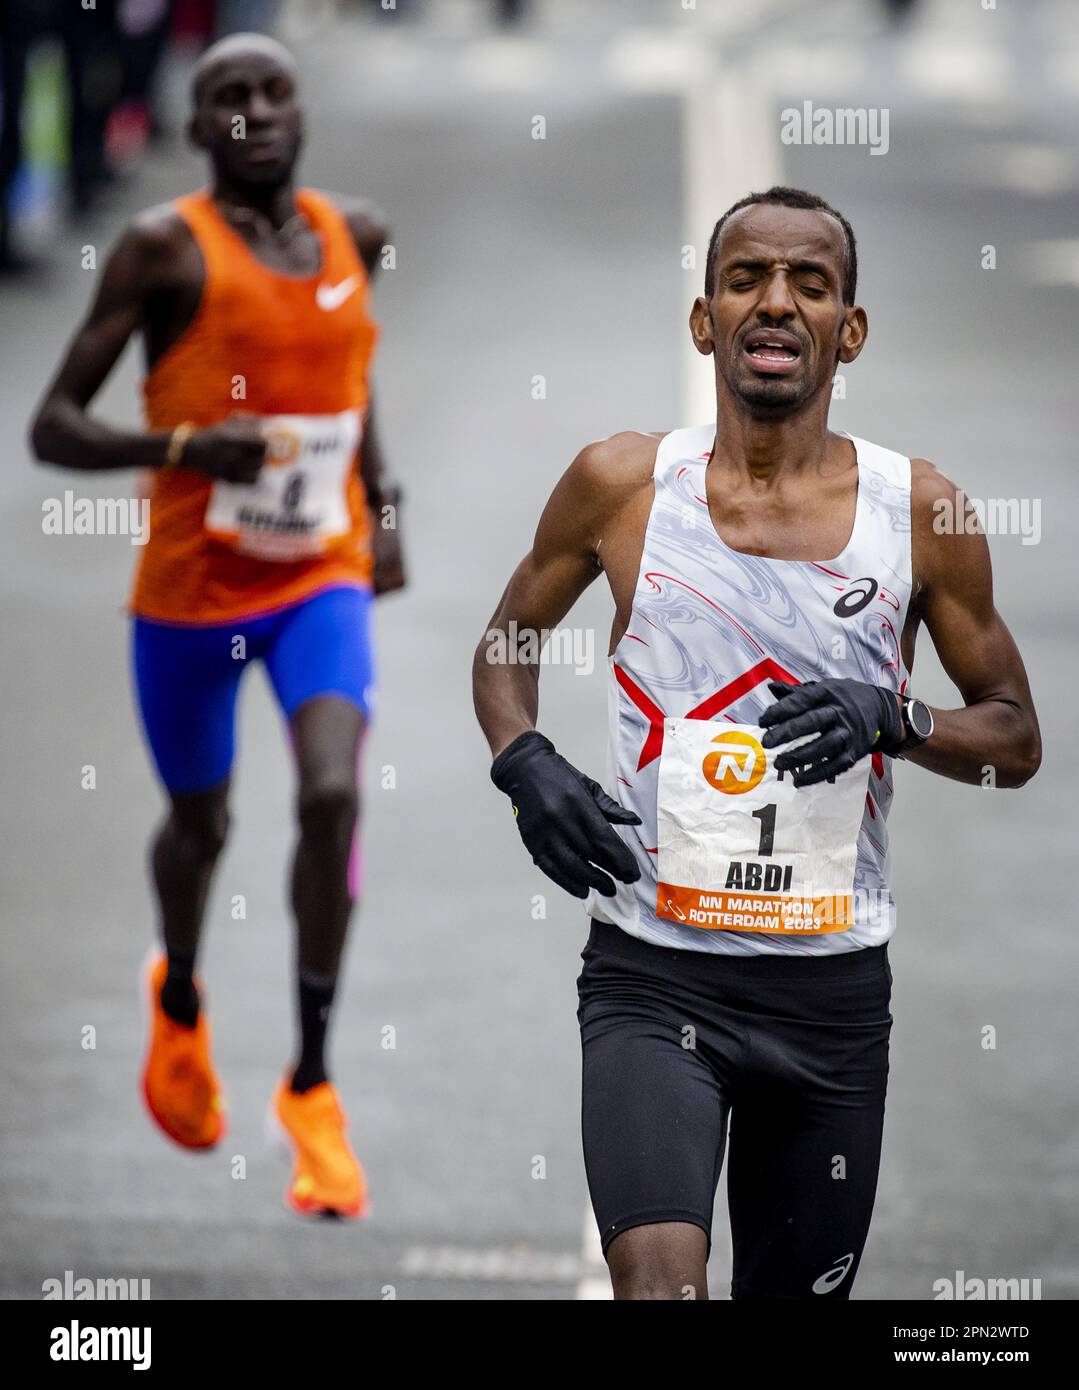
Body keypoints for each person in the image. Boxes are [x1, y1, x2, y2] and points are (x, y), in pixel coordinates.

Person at [472, 186, 1040, 1299]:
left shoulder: (920, 514)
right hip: (651, 978)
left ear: (849, 329)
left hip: (826, 1004)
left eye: (809, 285)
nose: (774, 304)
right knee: (658, 1290)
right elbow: (506, 640)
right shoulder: (622, 486)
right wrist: (520, 758)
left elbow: (1014, 737)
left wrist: (899, 717)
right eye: (745, 280)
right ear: (704, 320)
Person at [31, 33, 405, 1220]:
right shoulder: (160, 252)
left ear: (300, 110)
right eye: (225, 97)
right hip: (192, 593)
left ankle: (309, 1085)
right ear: (196, 129)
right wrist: (186, 447)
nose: (252, 110)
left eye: (272, 90)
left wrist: (382, 506)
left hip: (315, 579)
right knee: (201, 823)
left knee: (332, 793)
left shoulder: (358, 236)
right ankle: (180, 995)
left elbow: (348, 376)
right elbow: (53, 425)